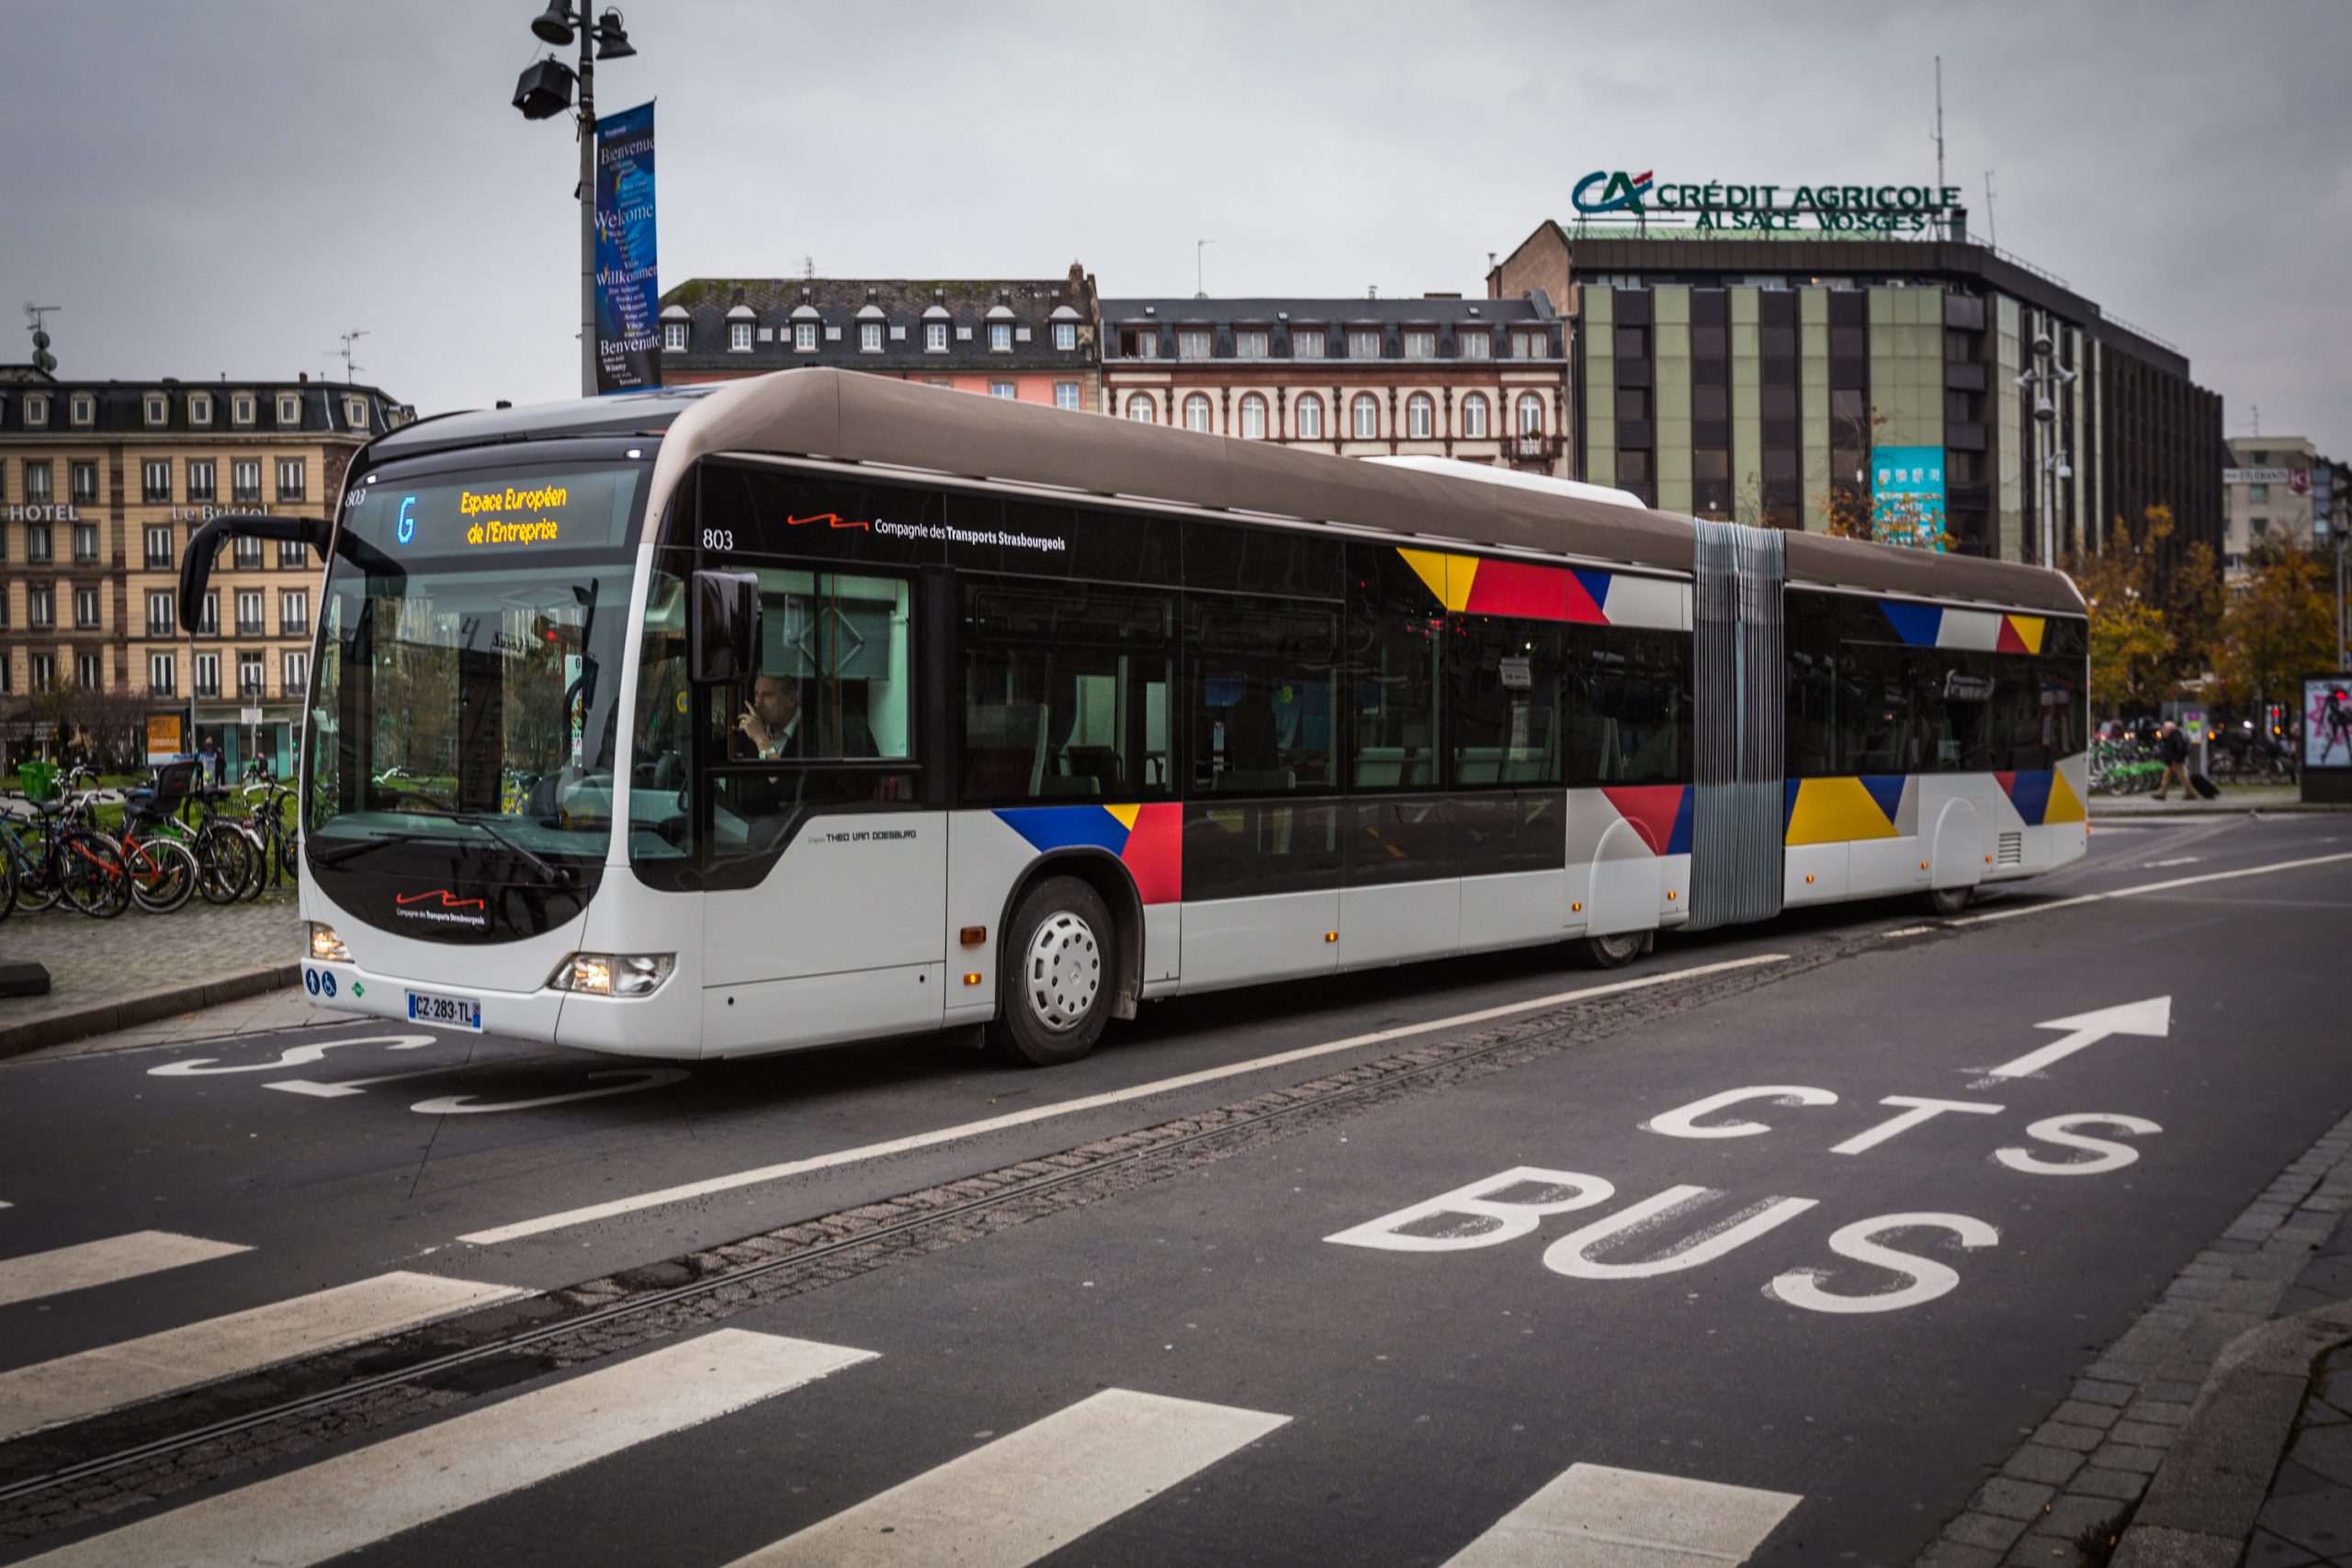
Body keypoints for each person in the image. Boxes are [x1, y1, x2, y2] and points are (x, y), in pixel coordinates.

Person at [732, 673, 804, 761]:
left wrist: (761, 739)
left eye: (767, 695)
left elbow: (784, 771)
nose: (757, 704)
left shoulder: (815, 733)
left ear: (792, 699)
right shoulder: (750, 730)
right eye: (756, 694)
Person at [2153, 718, 2191, 800]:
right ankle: (2162, 794)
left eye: (2165, 728)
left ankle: (2190, 793)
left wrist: (2176, 759)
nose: (2164, 730)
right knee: (2166, 777)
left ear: (2169, 729)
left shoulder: (2176, 736)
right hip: (2171, 761)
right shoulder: (2171, 736)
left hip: (2175, 762)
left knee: (2182, 778)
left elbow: (2181, 749)